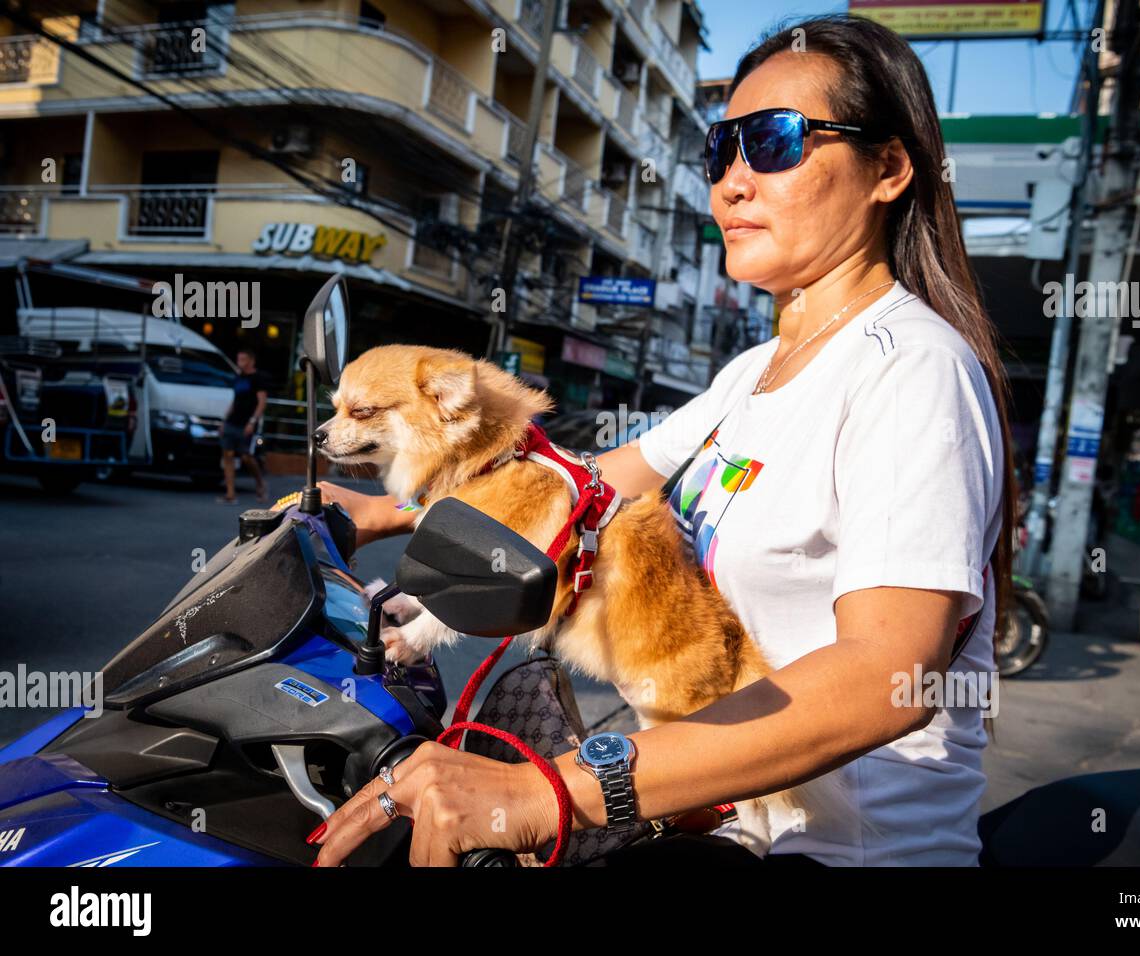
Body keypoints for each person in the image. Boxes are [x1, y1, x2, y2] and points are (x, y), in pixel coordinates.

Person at [311, 13, 1016, 866]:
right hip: (714, 816)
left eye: (777, 141)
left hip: (837, 851)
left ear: (889, 168)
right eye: (723, 151)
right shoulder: (752, 371)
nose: (732, 183)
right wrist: (383, 512)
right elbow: (580, 482)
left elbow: (884, 676)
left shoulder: (911, 370)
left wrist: (548, 790)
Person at [219, 347, 269, 504]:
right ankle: (230, 493)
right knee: (227, 455)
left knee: (247, 457)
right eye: (238, 359)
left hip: (247, 423)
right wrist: (224, 420)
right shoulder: (238, 377)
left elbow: (262, 403)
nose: (239, 363)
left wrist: (252, 422)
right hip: (232, 422)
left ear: (251, 360)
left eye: (243, 359)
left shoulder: (258, 378)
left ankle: (260, 483)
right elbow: (235, 401)